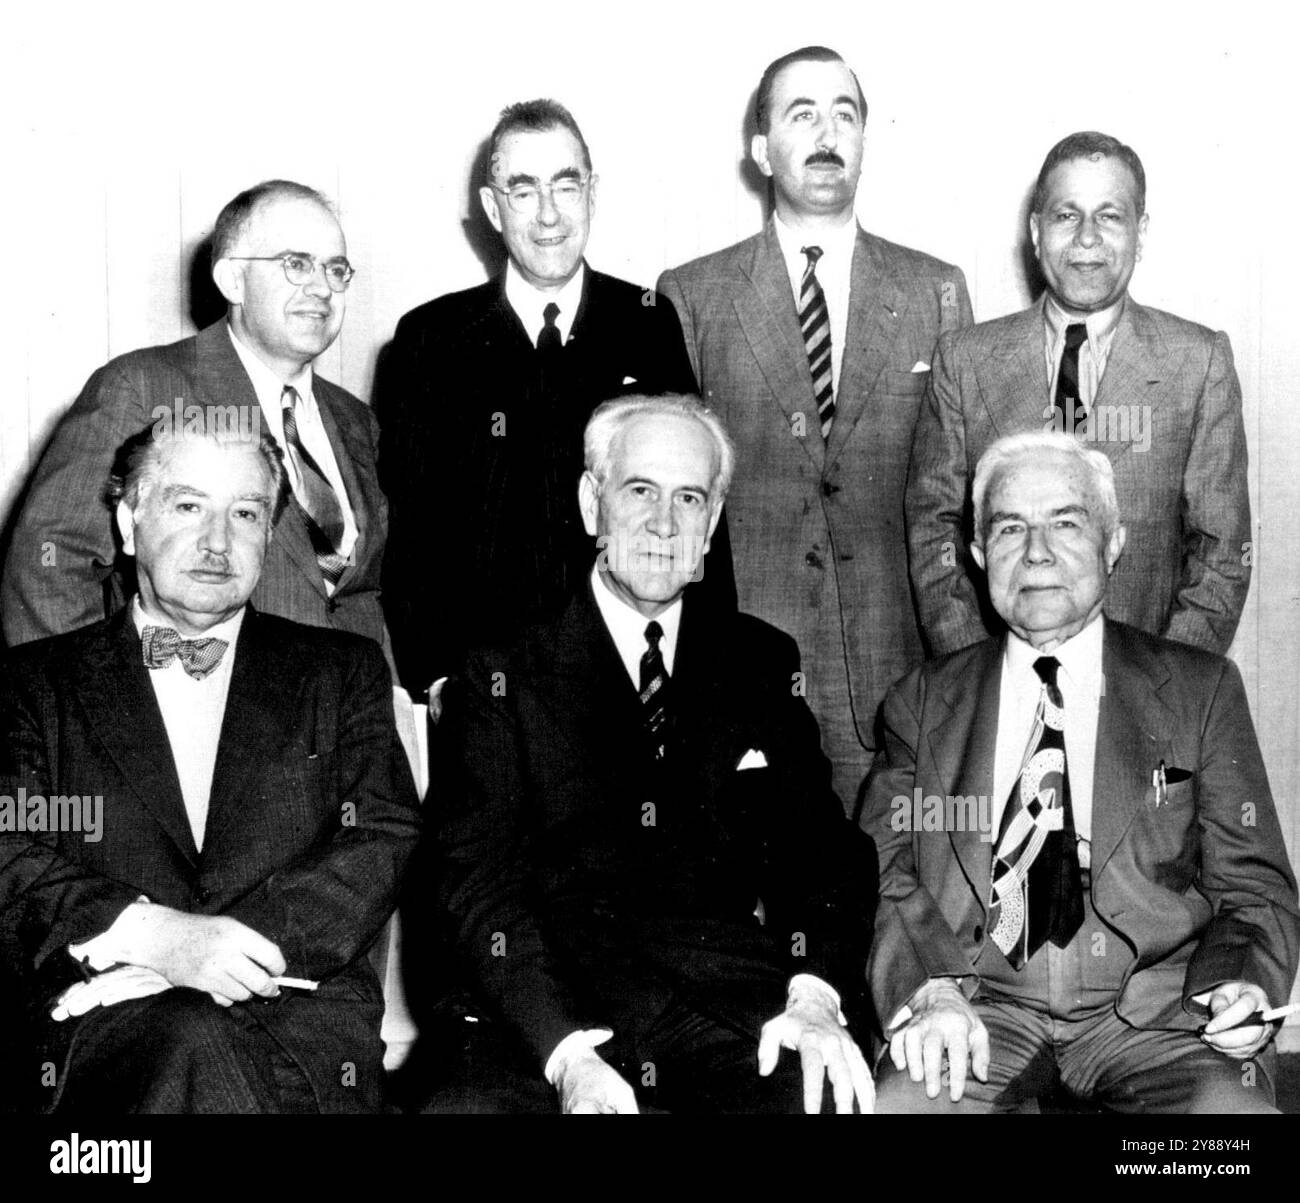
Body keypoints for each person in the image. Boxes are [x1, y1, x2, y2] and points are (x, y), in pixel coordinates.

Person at [437, 394, 877, 1113]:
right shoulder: (500, 675)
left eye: (690, 498)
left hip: (724, 1003)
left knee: (825, 1095)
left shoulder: (760, 661)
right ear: (592, 503)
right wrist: (569, 1056)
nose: (664, 523)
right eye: (639, 490)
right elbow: (476, 888)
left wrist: (813, 992)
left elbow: (826, 851)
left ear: (711, 524)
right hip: (546, 1007)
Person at [862, 430, 1299, 1113]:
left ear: (1113, 543)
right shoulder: (921, 702)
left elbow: (1254, 884)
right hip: (978, 1008)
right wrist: (930, 988)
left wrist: (1240, 982)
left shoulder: (1198, 688)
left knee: (1230, 1143)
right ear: (978, 556)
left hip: (1162, 1016)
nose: (1036, 551)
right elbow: (884, 871)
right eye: (1010, 527)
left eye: (1065, 522)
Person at [0, 421, 421, 1112]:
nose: (218, 541)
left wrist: (212, 956)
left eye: (246, 513)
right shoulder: (34, 686)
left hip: (292, 1029)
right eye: (188, 505)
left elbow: (380, 836)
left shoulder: (339, 672)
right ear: (128, 524)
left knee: (202, 1039)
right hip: (103, 1029)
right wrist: (158, 939)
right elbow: (11, 848)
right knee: (189, 1039)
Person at [659, 46, 972, 812]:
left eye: (844, 114)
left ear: (865, 140)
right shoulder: (692, 296)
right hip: (749, 673)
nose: (826, 132)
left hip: (903, 666)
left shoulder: (934, 291)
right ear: (761, 149)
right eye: (801, 114)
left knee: (902, 904)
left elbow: (961, 496)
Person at [377, 99, 730, 706]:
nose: (548, 215)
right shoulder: (430, 339)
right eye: (523, 190)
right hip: (482, 685)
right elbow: (410, 535)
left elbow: (698, 515)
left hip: (616, 678)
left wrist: (705, 672)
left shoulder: (645, 323)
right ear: (492, 207)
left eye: (566, 186)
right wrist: (433, 679)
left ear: (593, 192)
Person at [2, 179, 393, 671]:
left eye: (336, 269)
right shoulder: (142, 387)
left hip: (348, 716)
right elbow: (48, 564)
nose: (321, 287)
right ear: (232, 280)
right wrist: (96, 711)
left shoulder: (355, 421)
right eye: (296, 264)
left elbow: (362, 594)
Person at [908, 131, 1250, 658]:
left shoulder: (1198, 363)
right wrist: (977, 677)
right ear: (1036, 232)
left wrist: (1165, 689)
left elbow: (1222, 553)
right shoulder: (964, 359)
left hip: (1144, 695)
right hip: (997, 681)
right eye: (1067, 215)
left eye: (1109, 216)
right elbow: (934, 536)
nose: (1087, 237)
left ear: (1141, 233)